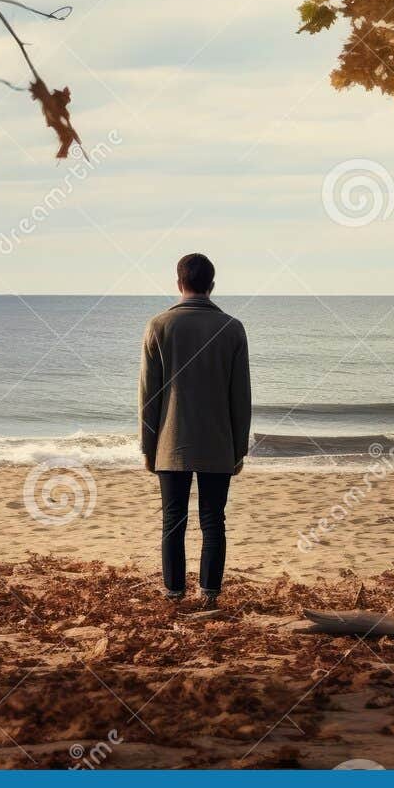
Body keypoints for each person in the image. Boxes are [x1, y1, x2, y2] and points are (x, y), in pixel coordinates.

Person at [138, 253, 252, 609]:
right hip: (218, 444)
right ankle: (209, 595)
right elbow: (241, 396)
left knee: (173, 520)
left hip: (171, 444)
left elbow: (148, 395)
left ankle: (173, 593)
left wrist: (148, 446)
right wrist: (239, 449)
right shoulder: (232, 328)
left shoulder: (159, 325)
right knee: (213, 521)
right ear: (212, 285)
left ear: (178, 283)